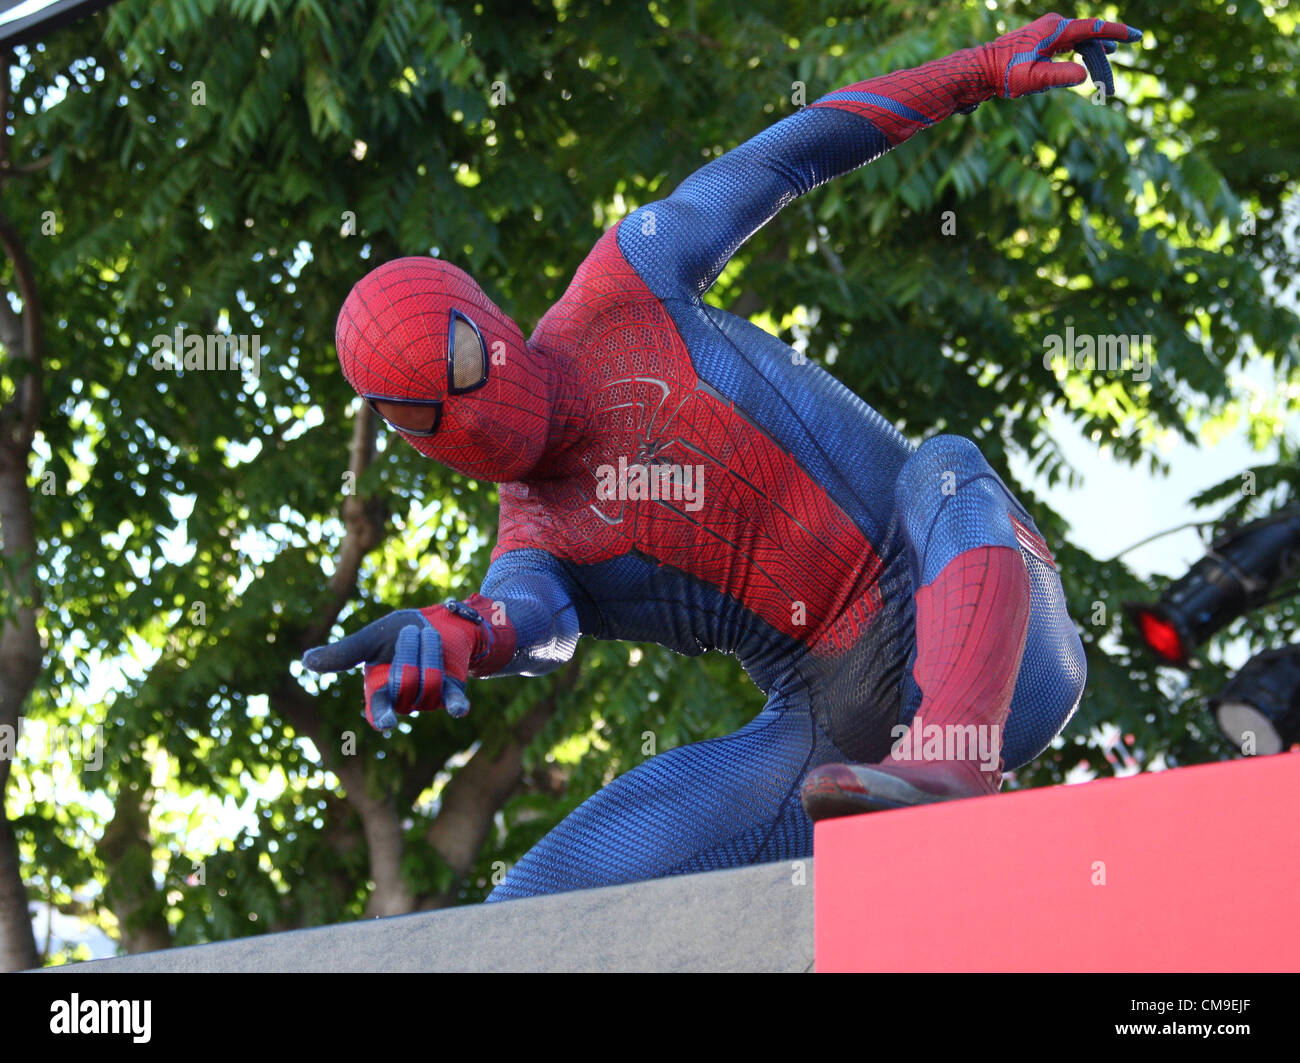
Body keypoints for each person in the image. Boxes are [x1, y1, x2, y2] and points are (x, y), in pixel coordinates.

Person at [304, 12, 1143, 901]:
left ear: (491, 323)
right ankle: (915, 796)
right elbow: (528, 620)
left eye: (462, 366)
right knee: (526, 909)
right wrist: (459, 633)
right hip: (833, 734)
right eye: (419, 418)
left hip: (998, 638)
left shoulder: (628, 283)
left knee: (943, 466)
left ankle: (955, 761)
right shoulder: (536, 536)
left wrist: (978, 68)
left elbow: (798, 148)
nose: (465, 421)